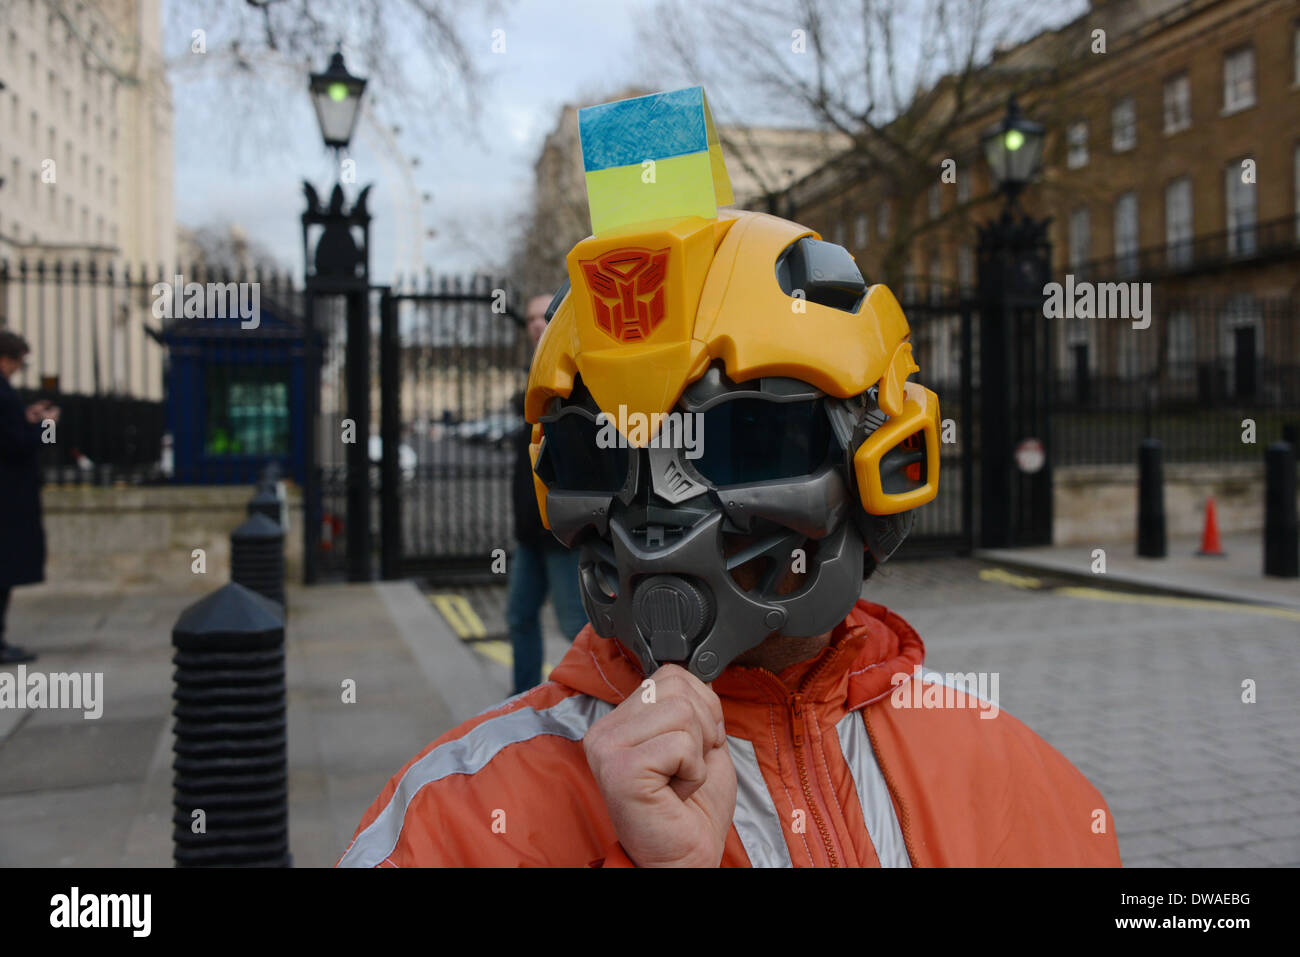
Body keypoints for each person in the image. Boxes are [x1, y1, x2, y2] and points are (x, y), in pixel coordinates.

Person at [339, 89, 1119, 868]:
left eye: (742, 439)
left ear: (886, 462)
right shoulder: (454, 824)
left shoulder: (1027, 791)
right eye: (606, 451)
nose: (663, 512)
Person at [504, 292, 588, 695]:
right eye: (531, 319)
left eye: (544, 317)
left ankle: (589, 704)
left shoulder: (575, 370)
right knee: (519, 616)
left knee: (575, 626)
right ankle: (521, 696)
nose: (536, 324)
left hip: (560, 532)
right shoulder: (532, 373)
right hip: (528, 533)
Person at [0, 331, 57, 665]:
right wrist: (47, 427)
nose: (20, 368)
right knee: (5, 571)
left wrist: (27, 419)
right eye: (20, 362)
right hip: (9, 497)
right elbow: (19, 446)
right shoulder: (3, 393)